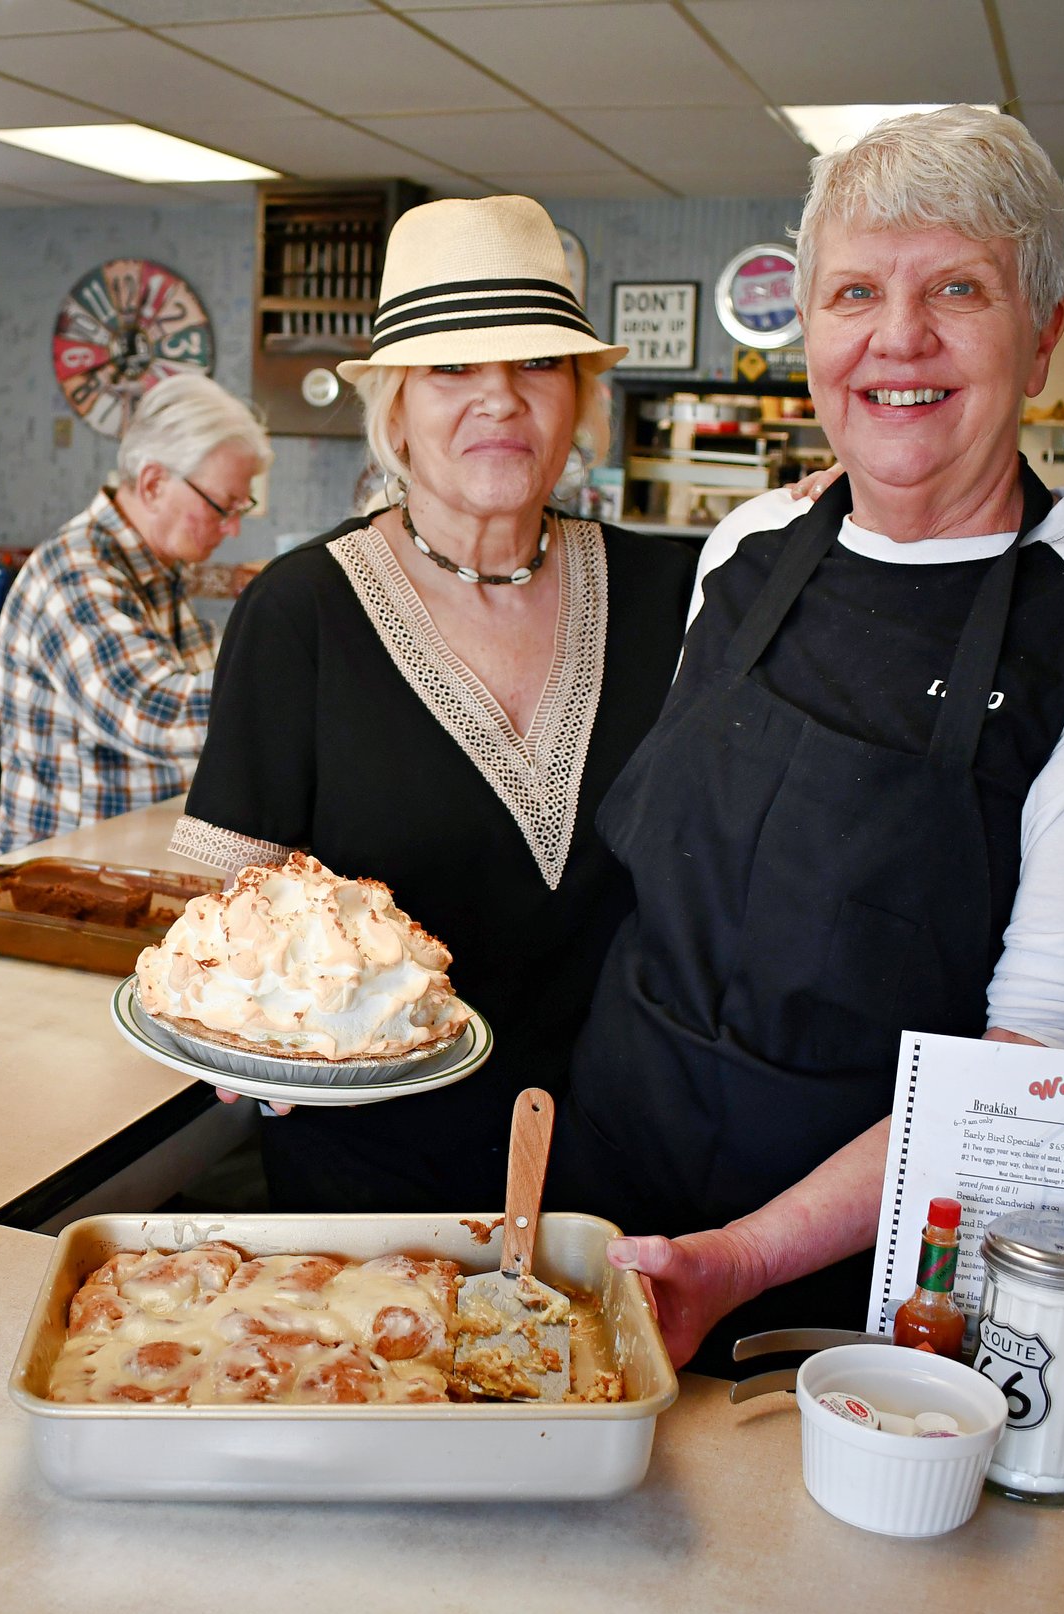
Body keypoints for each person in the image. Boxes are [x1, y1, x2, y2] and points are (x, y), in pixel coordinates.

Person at [557, 108, 1064, 1368]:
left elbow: (1052, 1051)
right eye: (853, 291)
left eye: (957, 290)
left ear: (1040, 336)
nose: (896, 337)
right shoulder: (745, 549)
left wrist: (741, 1254)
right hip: (611, 1206)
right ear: (808, 328)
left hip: (873, 1291)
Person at [174, 195, 693, 1211]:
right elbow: (227, 912)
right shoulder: (301, 612)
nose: (498, 398)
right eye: (451, 367)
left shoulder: (675, 597)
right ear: (396, 406)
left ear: (579, 397)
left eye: (537, 364)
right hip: (371, 1177)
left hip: (635, 1167)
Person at [0, 373, 272, 853]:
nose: (232, 529)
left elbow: (216, 687)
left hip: (131, 853)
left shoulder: (158, 569)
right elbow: (154, 714)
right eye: (223, 506)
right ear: (154, 482)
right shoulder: (74, 573)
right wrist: (289, 686)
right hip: (62, 878)